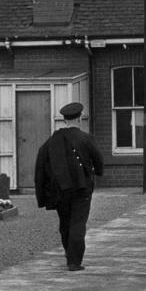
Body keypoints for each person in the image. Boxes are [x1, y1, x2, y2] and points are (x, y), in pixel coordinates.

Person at [35, 102, 104, 272]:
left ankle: (69, 254)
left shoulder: (50, 142)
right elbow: (99, 161)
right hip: (82, 189)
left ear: (64, 120)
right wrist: (98, 172)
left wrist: (41, 195)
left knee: (65, 223)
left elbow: (40, 168)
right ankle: (74, 261)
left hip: (59, 190)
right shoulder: (86, 138)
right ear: (79, 118)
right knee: (78, 222)